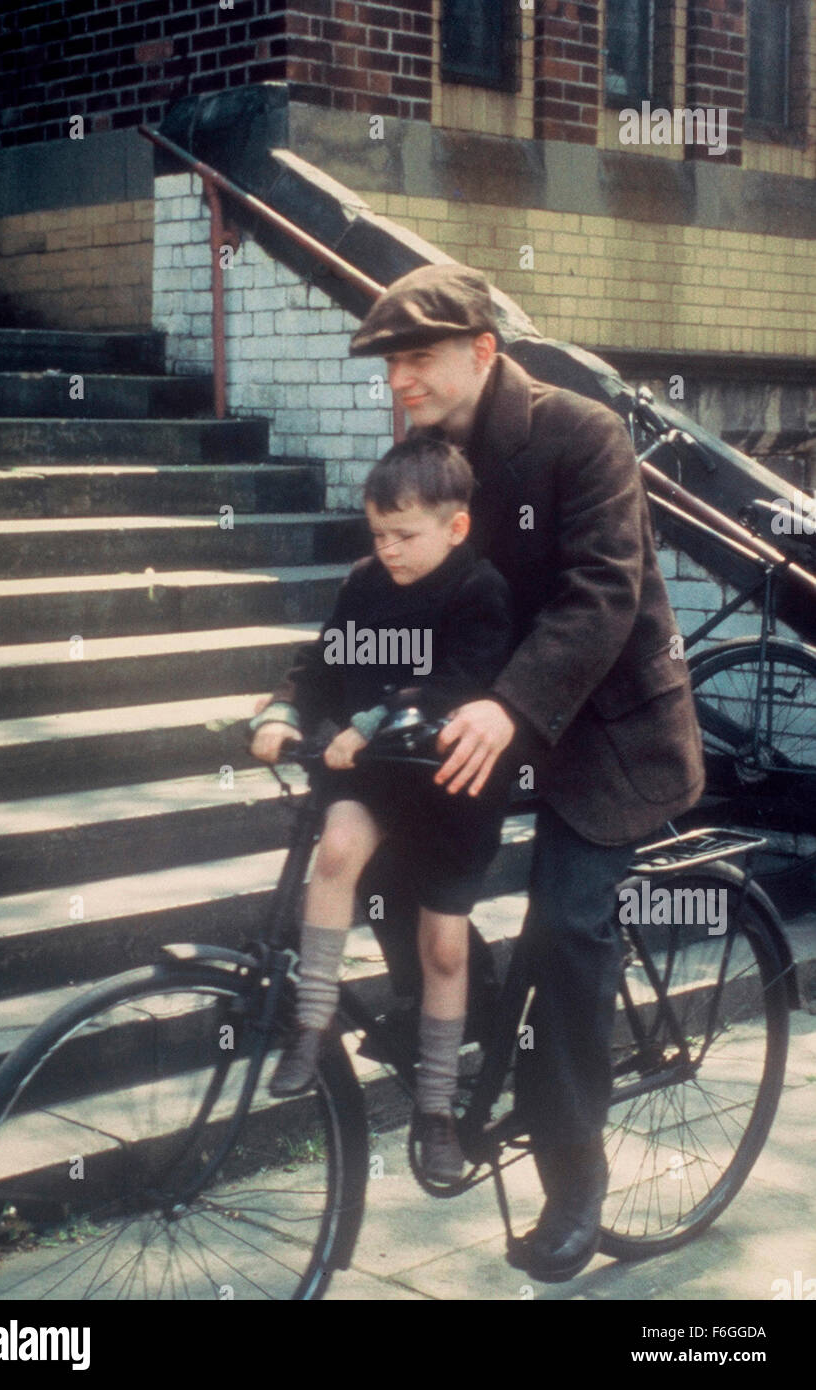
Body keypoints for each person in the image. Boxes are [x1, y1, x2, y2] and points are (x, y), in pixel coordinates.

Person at [345, 263, 706, 1282]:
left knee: (568, 933)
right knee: (386, 847)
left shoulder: (580, 432)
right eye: (390, 363)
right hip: (486, 708)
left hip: (603, 726)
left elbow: (602, 591)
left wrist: (507, 704)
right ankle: (464, 1025)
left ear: (484, 351)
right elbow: (395, 585)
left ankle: (575, 1180)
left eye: (417, 357)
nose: (400, 380)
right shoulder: (421, 457)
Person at [248, 434, 517, 1182]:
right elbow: (324, 663)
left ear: (455, 527)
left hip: (450, 786)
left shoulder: (478, 590)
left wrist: (368, 725)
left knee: (442, 946)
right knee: (335, 850)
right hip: (372, 779)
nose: (389, 549)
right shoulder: (367, 583)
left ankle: (435, 1110)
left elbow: (456, 683)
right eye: (377, 534)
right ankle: (311, 1022)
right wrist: (282, 711)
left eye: (405, 535)